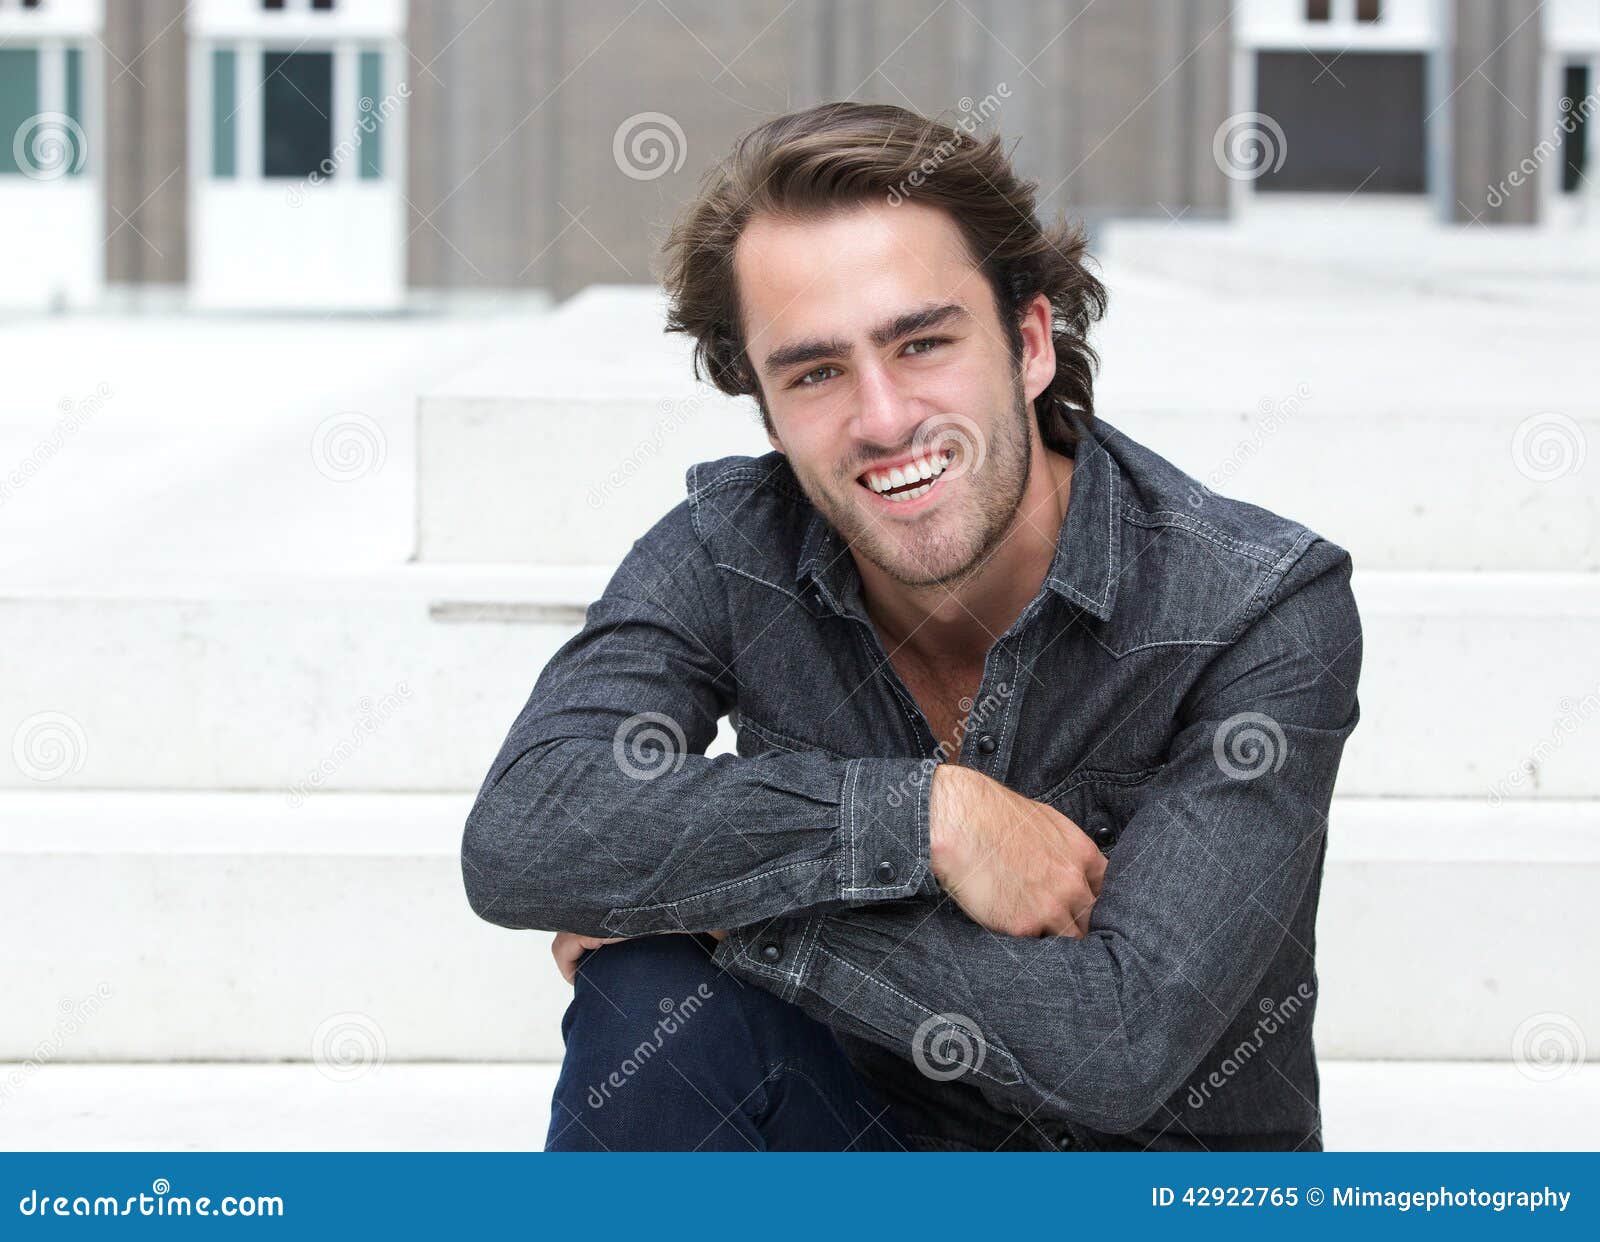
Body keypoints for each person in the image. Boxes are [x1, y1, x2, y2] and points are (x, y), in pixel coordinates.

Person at [461, 101, 1362, 1152]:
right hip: (865, 1161)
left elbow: (1120, 1042)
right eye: (815, 372)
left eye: (922, 343)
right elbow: (524, 831)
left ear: (1030, 343)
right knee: (654, 994)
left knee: (665, 942)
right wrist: (927, 816)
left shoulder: (1253, 605)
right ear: (766, 411)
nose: (884, 419)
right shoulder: (731, 548)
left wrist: (736, 913)